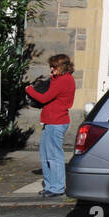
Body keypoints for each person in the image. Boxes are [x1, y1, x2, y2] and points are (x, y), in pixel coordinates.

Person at [24, 54, 76, 197]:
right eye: (51, 67)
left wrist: (29, 89)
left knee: (54, 156)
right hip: (51, 122)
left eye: (54, 67)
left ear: (62, 67)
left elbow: (44, 97)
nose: (51, 70)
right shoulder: (60, 79)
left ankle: (57, 187)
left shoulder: (64, 81)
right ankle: (49, 185)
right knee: (45, 155)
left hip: (57, 122)